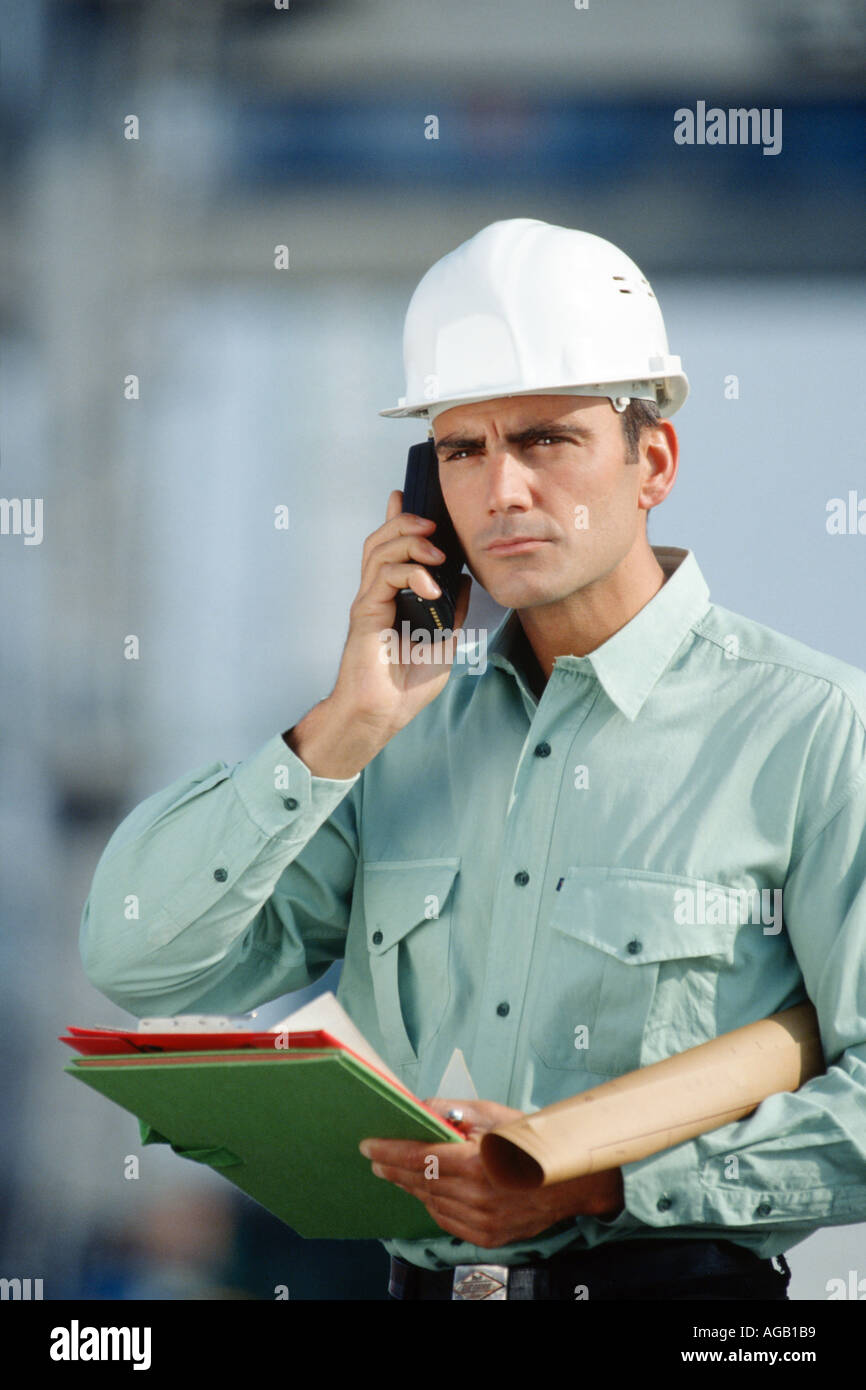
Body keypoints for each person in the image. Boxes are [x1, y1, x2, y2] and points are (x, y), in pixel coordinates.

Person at [80, 218, 866, 1301]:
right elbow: (138, 957)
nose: (501, 491)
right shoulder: (388, 743)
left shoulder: (814, 730)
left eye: (545, 441)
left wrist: (602, 1184)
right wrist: (344, 724)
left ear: (652, 462)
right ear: (425, 490)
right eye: (461, 451)